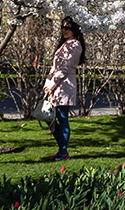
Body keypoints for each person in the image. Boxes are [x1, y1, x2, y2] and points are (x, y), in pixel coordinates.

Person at [42, 16, 86, 162]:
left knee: (62, 118)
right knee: (52, 119)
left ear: (74, 29)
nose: (64, 30)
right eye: (63, 28)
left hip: (64, 85)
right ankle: (62, 149)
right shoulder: (65, 44)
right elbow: (55, 67)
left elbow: (64, 68)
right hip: (55, 86)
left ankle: (63, 151)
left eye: (67, 28)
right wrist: (48, 85)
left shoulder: (75, 45)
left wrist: (52, 85)